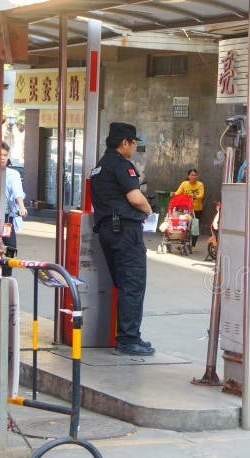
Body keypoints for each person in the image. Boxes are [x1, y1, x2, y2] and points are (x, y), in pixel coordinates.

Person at [90, 122, 155, 356]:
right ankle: (128, 339)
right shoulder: (120, 165)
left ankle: (130, 336)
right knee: (133, 284)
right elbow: (136, 198)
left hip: (108, 232)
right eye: (134, 142)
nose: (135, 147)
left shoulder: (99, 166)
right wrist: (149, 210)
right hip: (125, 232)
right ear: (124, 143)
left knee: (125, 283)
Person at [0, 142, 27, 268]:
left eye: (5, 155)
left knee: (10, 249)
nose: (2, 157)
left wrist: (21, 207)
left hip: (6, 219)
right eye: (0, 155)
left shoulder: (12, 174)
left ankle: (7, 277)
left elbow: (17, 192)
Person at [172, 168, 205, 250]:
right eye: (192, 175)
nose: (193, 177)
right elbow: (178, 193)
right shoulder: (184, 184)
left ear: (197, 176)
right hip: (185, 209)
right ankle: (182, 243)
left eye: (195, 175)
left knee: (195, 227)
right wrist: (173, 194)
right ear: (188, 176)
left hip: (197, 209)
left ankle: (193, 245)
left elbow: (201, 195)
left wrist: (195, 196)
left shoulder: (200, 184)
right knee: (183, 225)